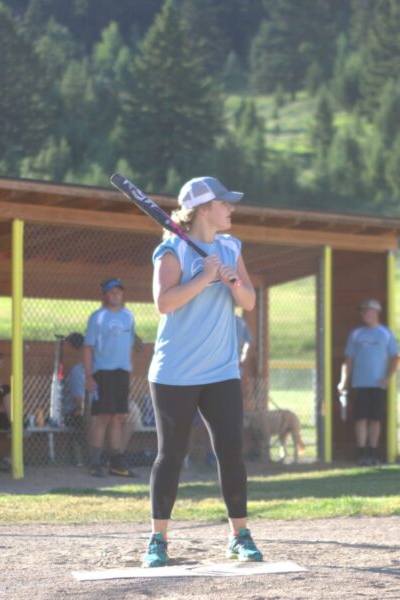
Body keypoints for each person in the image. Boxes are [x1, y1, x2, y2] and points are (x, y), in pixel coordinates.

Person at [143, 176, 262, 568]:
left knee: (231, 451)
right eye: (224, 203)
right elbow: (164, 303)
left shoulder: (230, 245)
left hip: (221, 370)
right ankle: (158, 539)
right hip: (175, 372)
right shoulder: (171, 248)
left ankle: (239, 535)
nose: (231, 209)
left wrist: (231, 281)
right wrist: (204, 277)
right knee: (171, 454)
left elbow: (249, 300)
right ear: (203, 209)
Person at [84, 278, 139, 478]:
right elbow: (88, 348)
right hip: (103, 373)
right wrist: (89, 376)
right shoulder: (97, 317)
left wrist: (129, 369)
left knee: (118, 417)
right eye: (111, 292)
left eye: (118, 292)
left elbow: (131, 345)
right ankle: (95, 461)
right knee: (102, 417)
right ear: (105, 295)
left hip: (121, 372)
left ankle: (116, 461)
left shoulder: (128, 316)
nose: (115, 295)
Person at [337, 299, 400, 467]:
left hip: (378, 384)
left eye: (367, 311)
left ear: (375, 312)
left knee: (375, 419)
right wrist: (344, 381)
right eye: (362, 311)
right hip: (360, 383)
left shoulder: (385, 333)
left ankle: (373, 452)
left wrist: (388, 377)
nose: (364, 314)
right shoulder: (356, 334)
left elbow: (395, 357)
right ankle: (362, 453)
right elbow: (348, 360)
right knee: (361, 418)